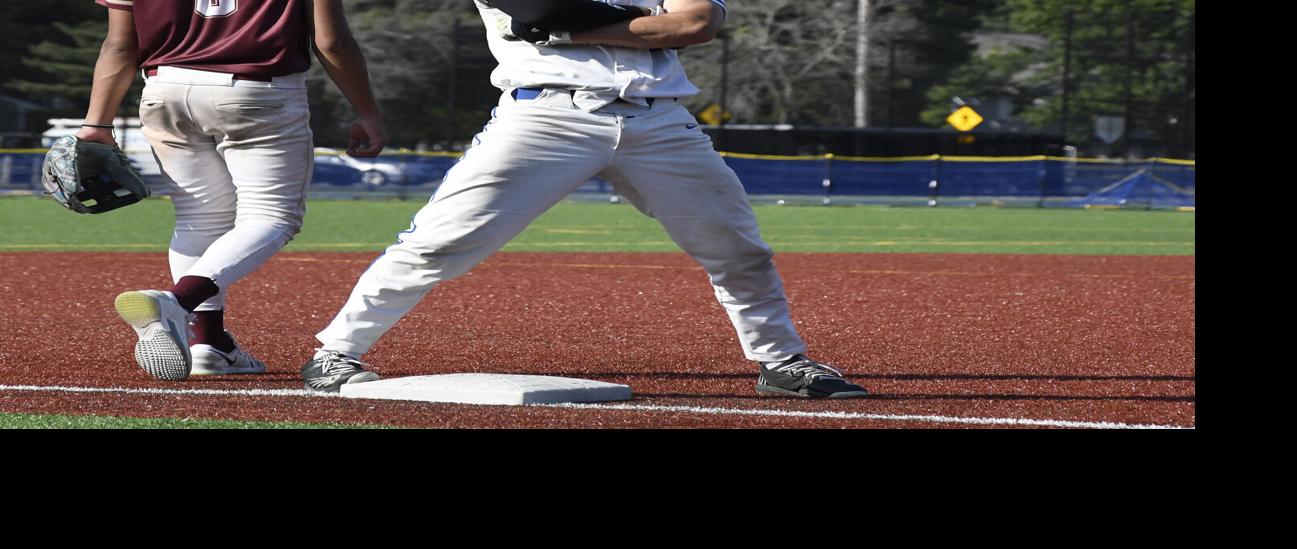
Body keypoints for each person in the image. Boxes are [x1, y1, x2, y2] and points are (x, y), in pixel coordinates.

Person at [301, 0, 867, 399]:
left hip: (660, 118)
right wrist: (641, 23)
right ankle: (336, 351)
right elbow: (540, 12)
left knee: (738, 248)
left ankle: (781, 361)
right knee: (439, 242)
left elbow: (694, 23)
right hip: (545, 114)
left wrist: (579, 28)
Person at [83, 0, 386, 380]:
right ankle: (177, 302)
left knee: (198, 216)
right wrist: (367, 111)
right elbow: (332, 41)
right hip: (257, 90)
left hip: (164, 88)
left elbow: (119, 45)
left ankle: (208, 344)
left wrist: (97, 123)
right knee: (273, 217)